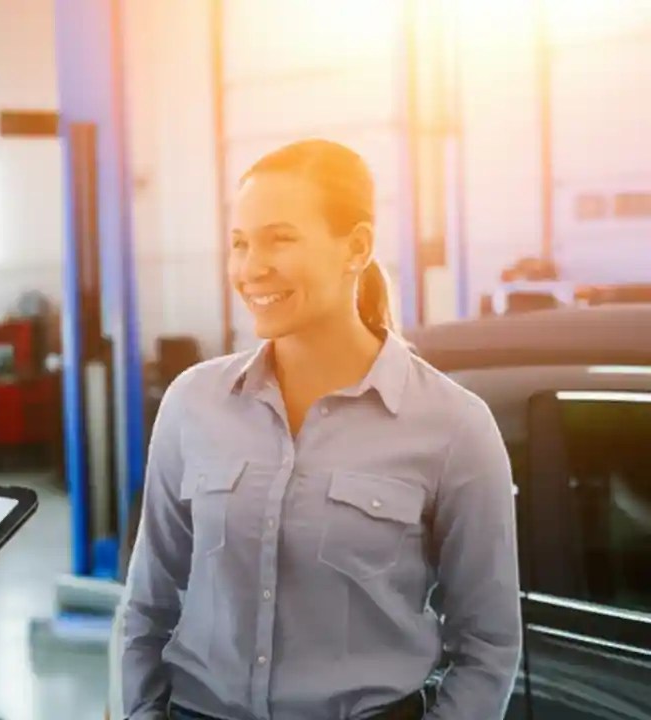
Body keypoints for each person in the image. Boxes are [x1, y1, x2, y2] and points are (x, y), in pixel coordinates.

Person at [121, 139, 521, 720]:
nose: (251, 267)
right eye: (239, 243)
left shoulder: (454, 427)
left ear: (355, 247)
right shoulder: (193, 404)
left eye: (279, 239)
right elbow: (148, 602)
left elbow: (488, 643)